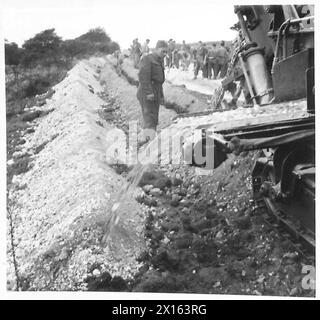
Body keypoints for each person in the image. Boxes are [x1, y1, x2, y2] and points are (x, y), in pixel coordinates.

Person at [137, 40, 168, 146]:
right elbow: (143, 77)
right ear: (156, 49)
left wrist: (161, 96)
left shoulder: (159, 60)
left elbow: (160, 82)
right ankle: (146, 141)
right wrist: (149, 92)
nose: (165, 54)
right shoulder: (147, 59)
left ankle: (151, 138)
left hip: (156, 91)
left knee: (154, 116)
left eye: (166, 52)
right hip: (147, 92)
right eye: (163, 51)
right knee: (149, 116)